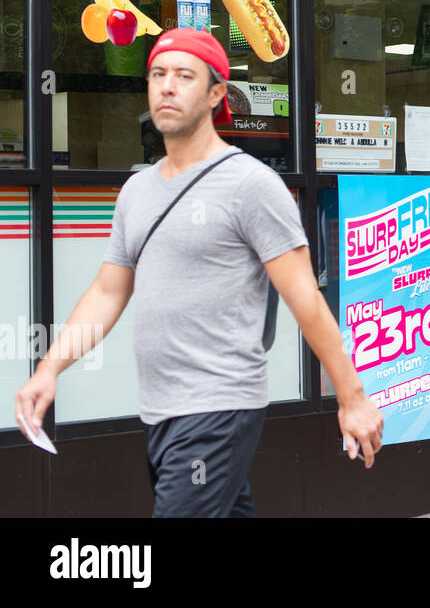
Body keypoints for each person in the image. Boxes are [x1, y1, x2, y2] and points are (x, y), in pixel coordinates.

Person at [13, 29, 384, 516]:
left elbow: (304, 298)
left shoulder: (251, 185)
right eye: (158, 75)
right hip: (160, 410)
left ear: (215, 94)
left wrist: (351, 396)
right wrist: (50, 367)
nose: (167, 86)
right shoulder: (137, 192)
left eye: (184, 76)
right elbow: (107, 292)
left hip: (219, 406)